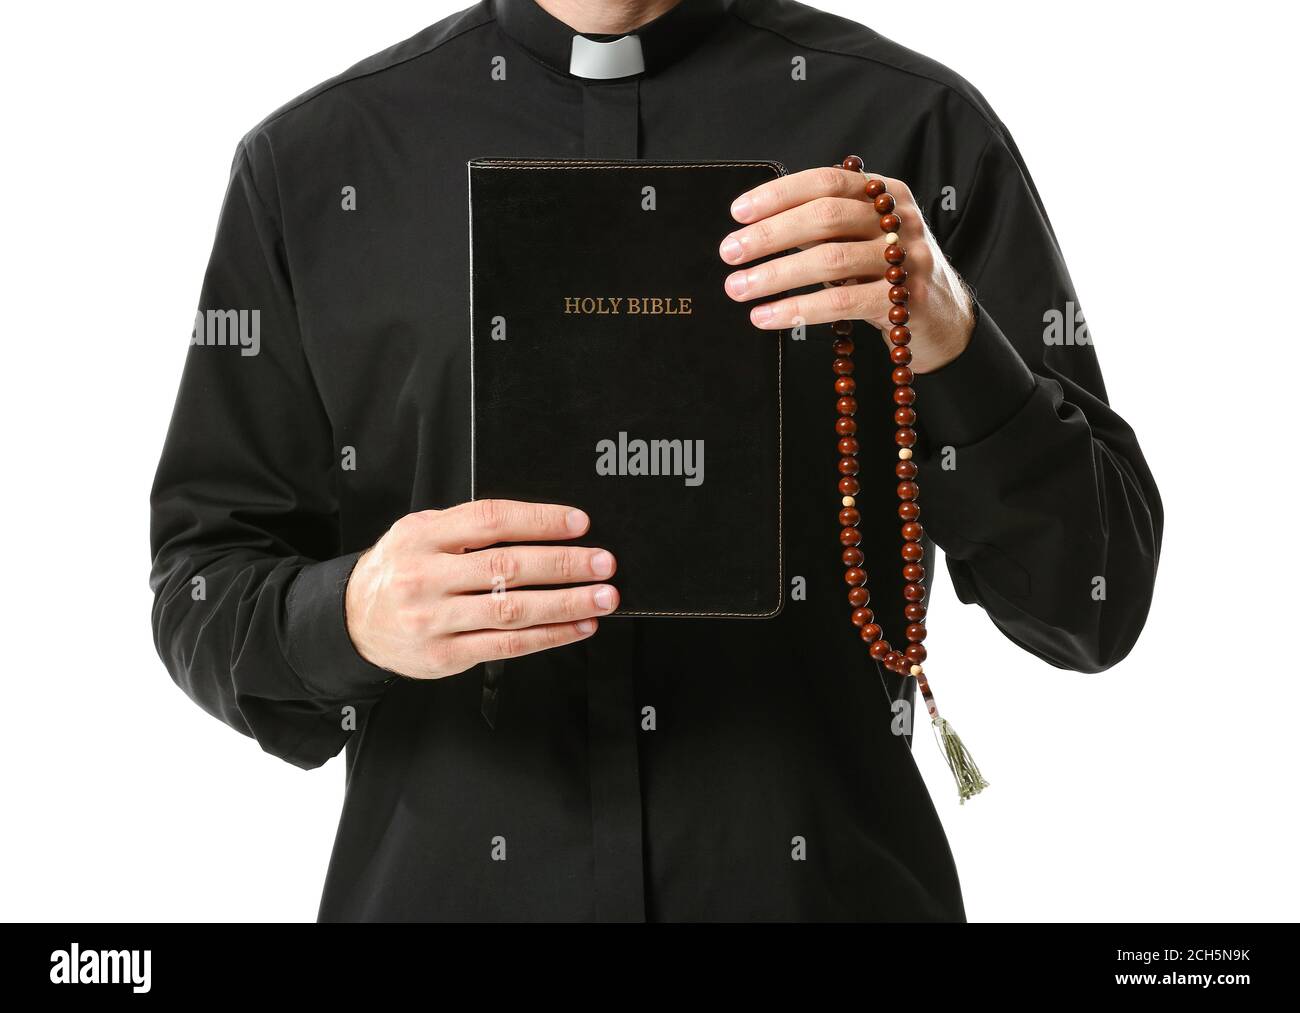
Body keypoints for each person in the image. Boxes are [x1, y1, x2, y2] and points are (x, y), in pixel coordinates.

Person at [150, 0, 1163, 921]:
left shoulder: (920, 129)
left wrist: (950, 330)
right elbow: (201, 581)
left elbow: (1092, 596)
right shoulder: (312, 165)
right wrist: (353, 613)